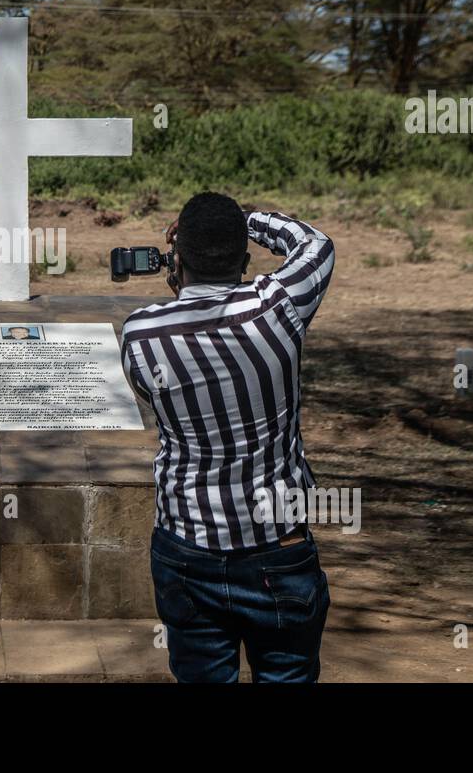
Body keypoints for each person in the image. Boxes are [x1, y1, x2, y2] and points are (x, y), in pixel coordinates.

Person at [121, 192, 336, 683]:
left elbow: (154, 395)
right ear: (243, 259)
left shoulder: (142, 333)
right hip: (279, 546)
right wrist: (247, 219)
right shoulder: (278, 307)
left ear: (176, 258)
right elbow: (315, 244)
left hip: (187, 546)